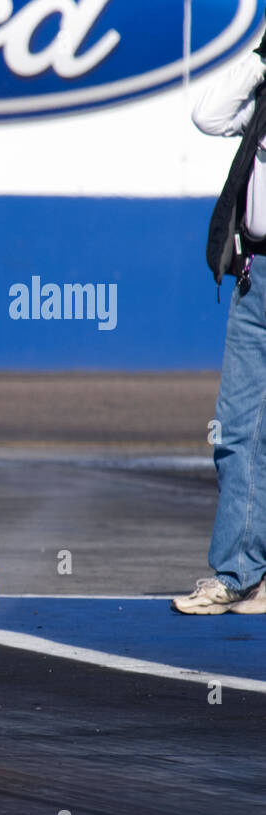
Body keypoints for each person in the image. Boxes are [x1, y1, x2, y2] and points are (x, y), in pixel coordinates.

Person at [177, 29, 266, 614]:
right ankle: (241, 576)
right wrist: (260, 59)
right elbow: (208, 115)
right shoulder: (262, 95)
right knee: (237, 431)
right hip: (256, 277)